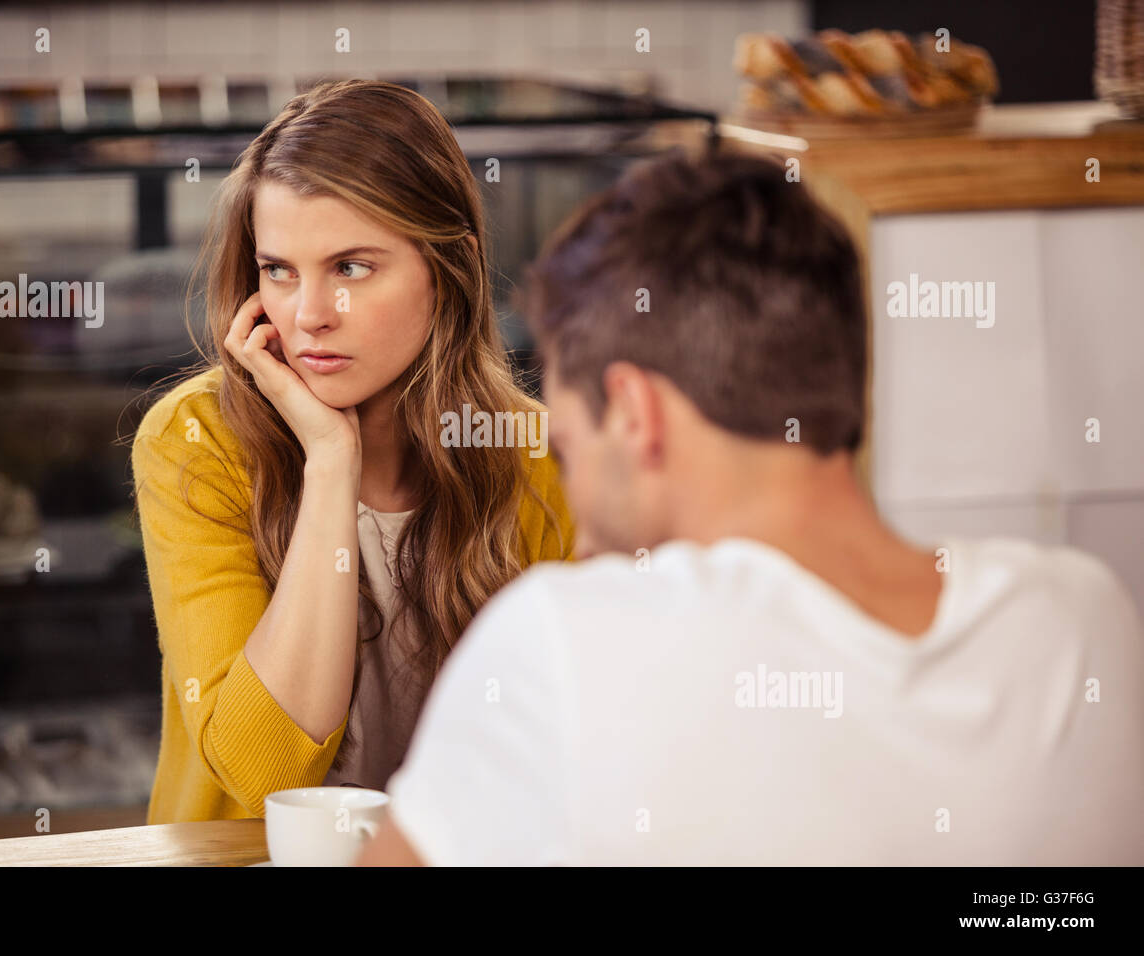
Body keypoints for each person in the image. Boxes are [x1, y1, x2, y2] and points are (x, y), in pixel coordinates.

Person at [357, 148, 1144, 865]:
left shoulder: (558, 641)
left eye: (568, 453)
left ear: (634, 414)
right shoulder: (1082, 619)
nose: (584, 535)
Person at [131, 80, 572, 823]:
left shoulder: (536, 456)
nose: (308, 317)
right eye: (279, 270)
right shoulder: (193, 443)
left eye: (351, 268)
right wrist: (330, 461)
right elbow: (263, 769)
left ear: (449, 267)